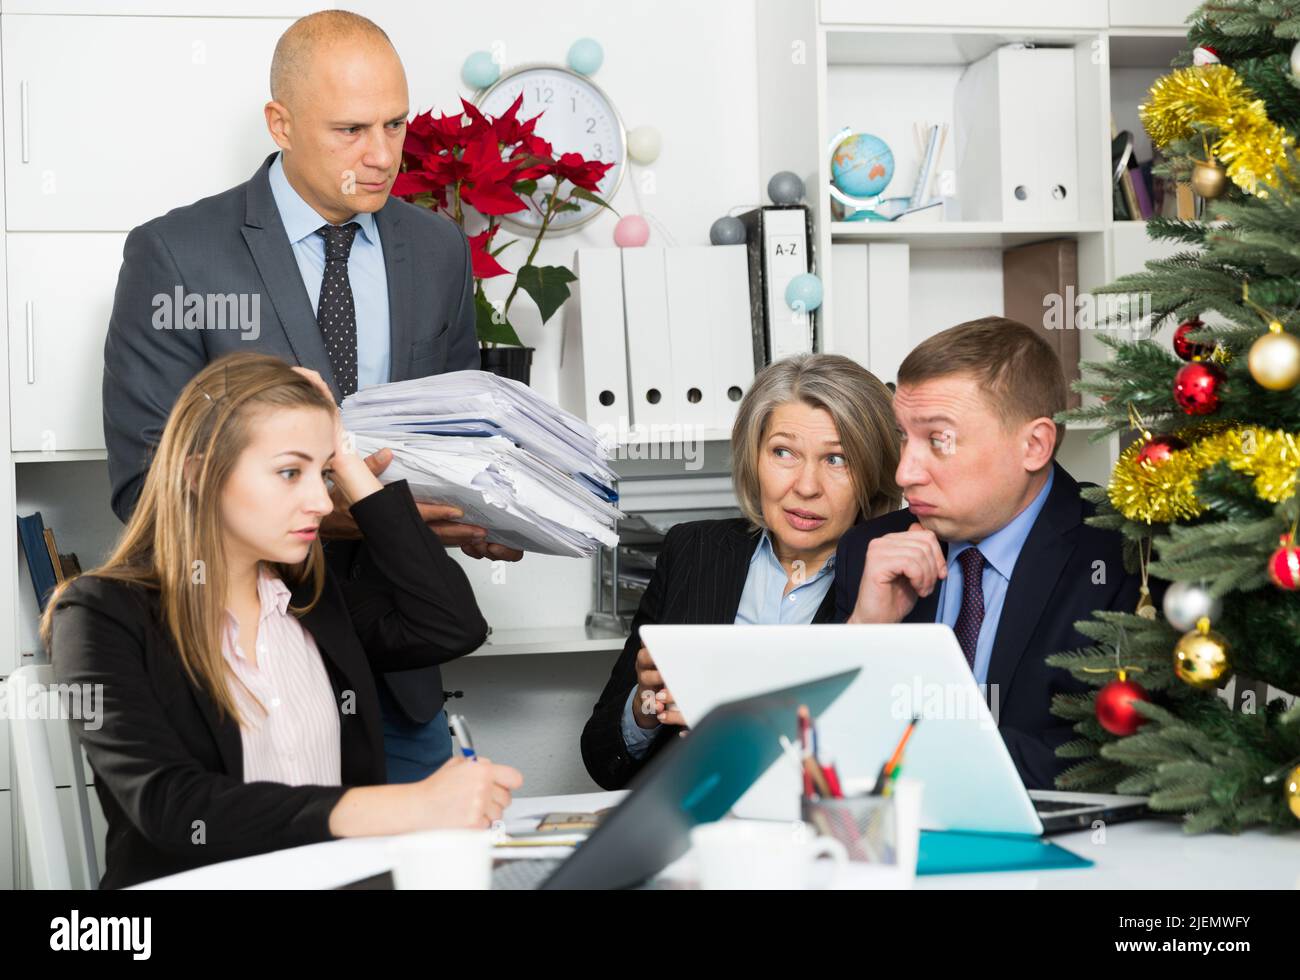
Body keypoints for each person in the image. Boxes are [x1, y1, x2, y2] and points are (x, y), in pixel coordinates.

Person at [101, 10, 521, 781]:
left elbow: (457, 436)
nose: (384, 155)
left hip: (400, 674)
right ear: (281, 122)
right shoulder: (176, 255)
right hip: (246, 675)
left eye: (396, 124)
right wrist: (361, 518)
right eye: (351, 129)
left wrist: (482, 508)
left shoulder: (435, 250)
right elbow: (146, 492)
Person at [47, 353, 523, 889]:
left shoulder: (314, 601)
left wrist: (345, 456)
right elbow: (173, 806)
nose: (322, 501)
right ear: (199, 473)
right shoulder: (99, 614)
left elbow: (450, 624)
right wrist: (407, 804)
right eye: (290, 472)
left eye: (322, 475)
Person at [834, 316, 1143, 789]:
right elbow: (824, 748)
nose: (904, 473)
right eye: (904, 437)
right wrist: (865, 631)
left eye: (939, 441)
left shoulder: (1124, 556)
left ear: (1034, 445)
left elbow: (1119, 758)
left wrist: (927, 754)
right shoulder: (870, 553)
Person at [582, 354, 900, 789]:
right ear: (753, 458)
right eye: (783, 452)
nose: (806, 486)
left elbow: (892, 761)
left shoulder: (890, 582)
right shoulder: (692, 551)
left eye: (837, 459)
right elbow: (602, 761)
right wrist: (646, 706)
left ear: (873, 473)